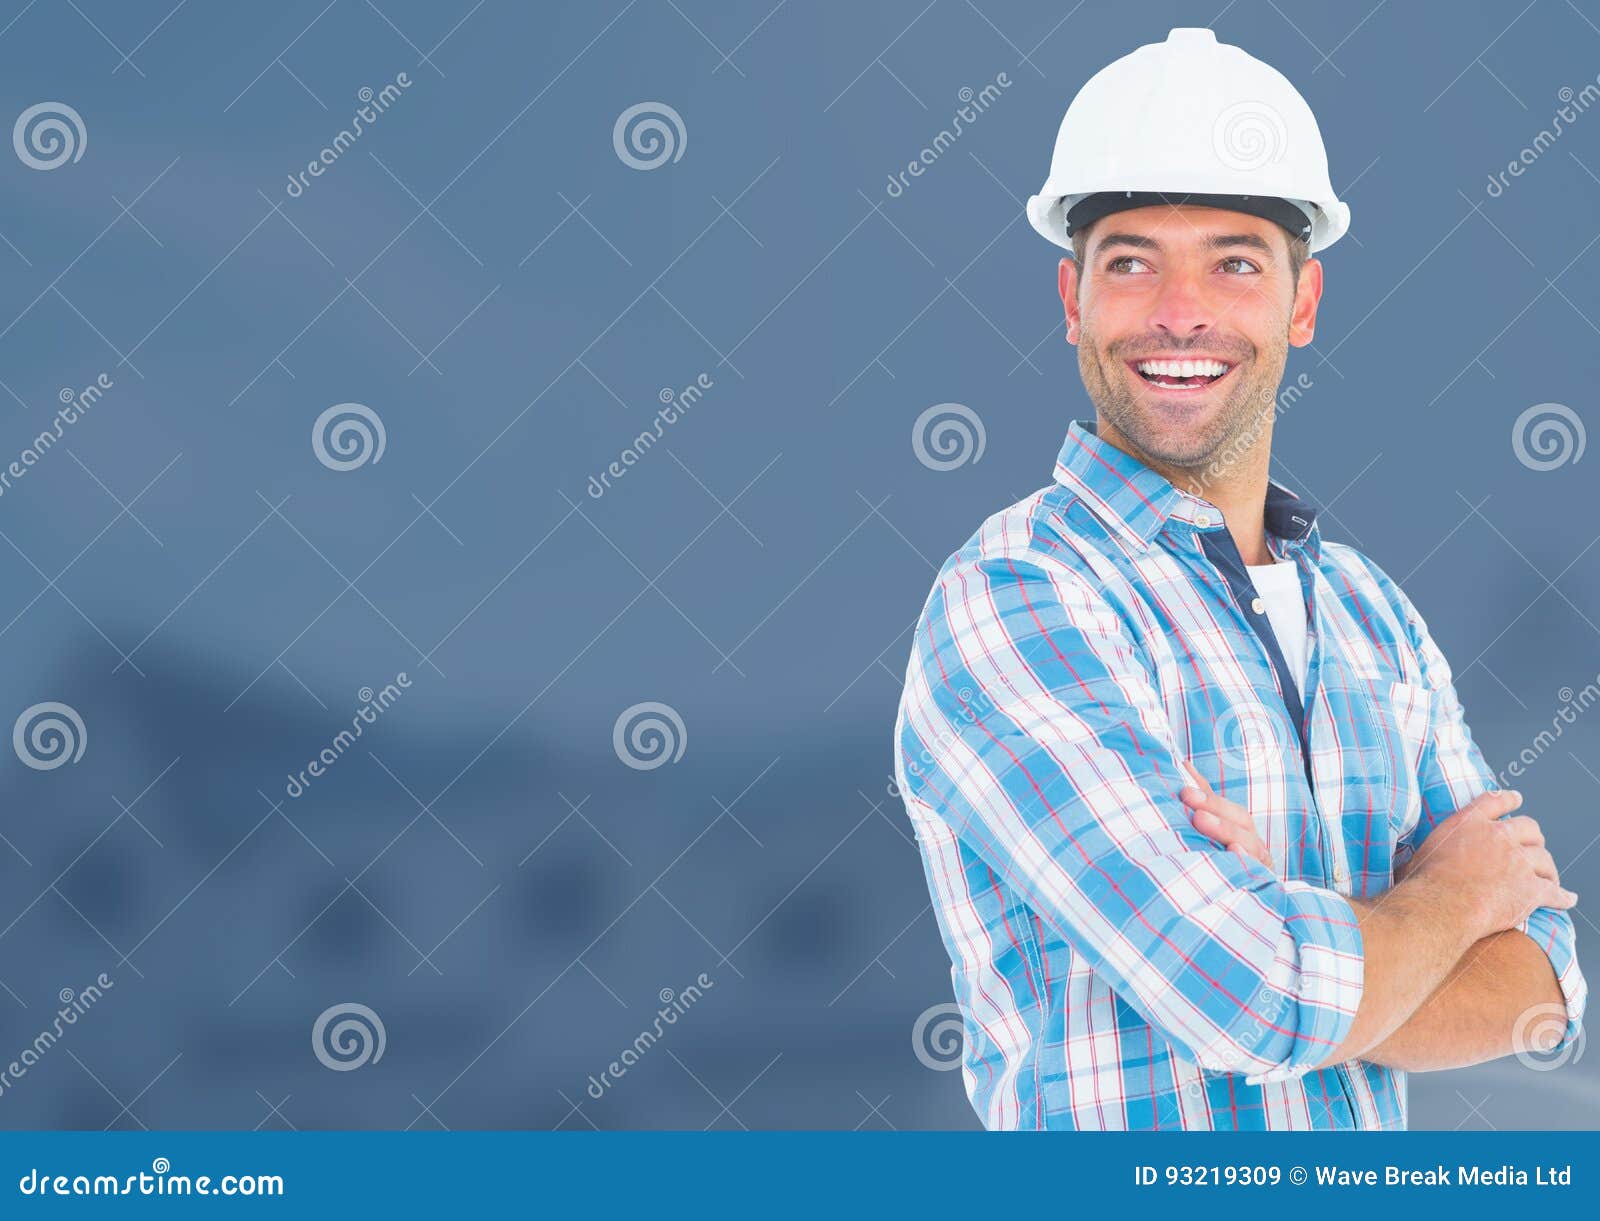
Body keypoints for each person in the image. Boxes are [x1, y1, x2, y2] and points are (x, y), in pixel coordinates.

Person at [892, 26, 1585, 1131]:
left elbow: (1545, 995)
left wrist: (1300, 931)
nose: (1179, 310)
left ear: (1301, 305)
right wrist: (1447, 899)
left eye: (1233, 260)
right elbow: (1247, 1000)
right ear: (1071, 299)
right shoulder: (1016, 602)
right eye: (1131, 261)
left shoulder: (1370, 614)